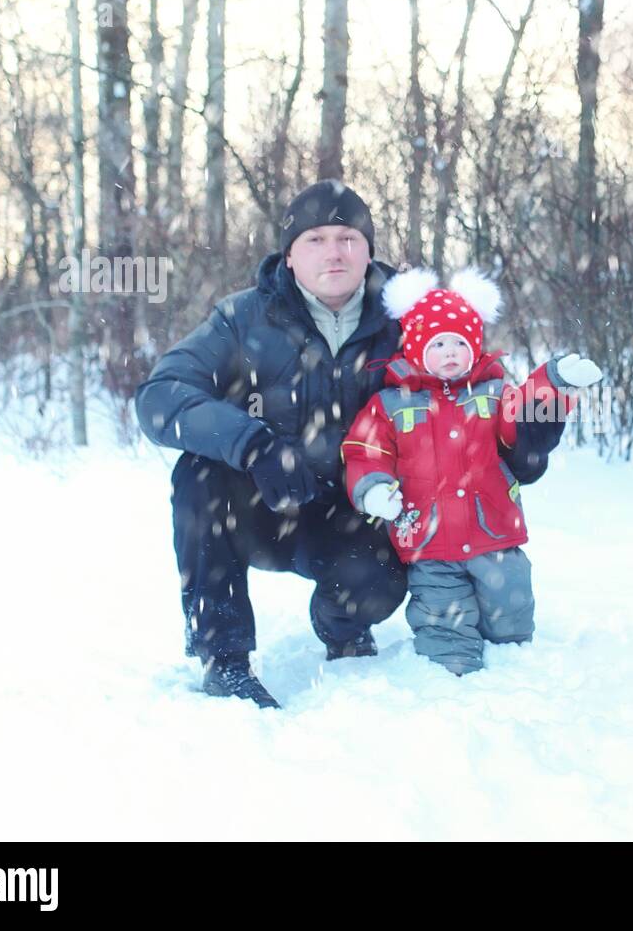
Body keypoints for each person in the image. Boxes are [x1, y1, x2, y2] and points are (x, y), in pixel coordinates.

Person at [135, 182, 562, 708]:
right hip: (265, 501)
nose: (333, 251)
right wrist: (252, 445)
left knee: (375, 581)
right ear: (289, 255)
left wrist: (533, 437)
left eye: (347, 237)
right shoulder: (243, 319)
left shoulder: (412, 320)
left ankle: (342, 624)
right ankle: (222, 658)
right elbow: (159, 397)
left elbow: (483, 417)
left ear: (367, 250)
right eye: (315, 239)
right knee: (197, 477)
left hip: (365, 512)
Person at [342, 268, 602, 674]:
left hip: (494, 531)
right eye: (438, 343)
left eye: (459, 344)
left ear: (475, 346)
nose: (450, 352)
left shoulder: (494, 393)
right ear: (414, 347)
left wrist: (554, 382)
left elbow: (523, 419)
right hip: (429, 539)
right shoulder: (391, 404)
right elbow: (363, 451)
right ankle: (452, 662)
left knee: (511, 603)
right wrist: (374, 487)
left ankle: (511, 651)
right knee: (441, 611)